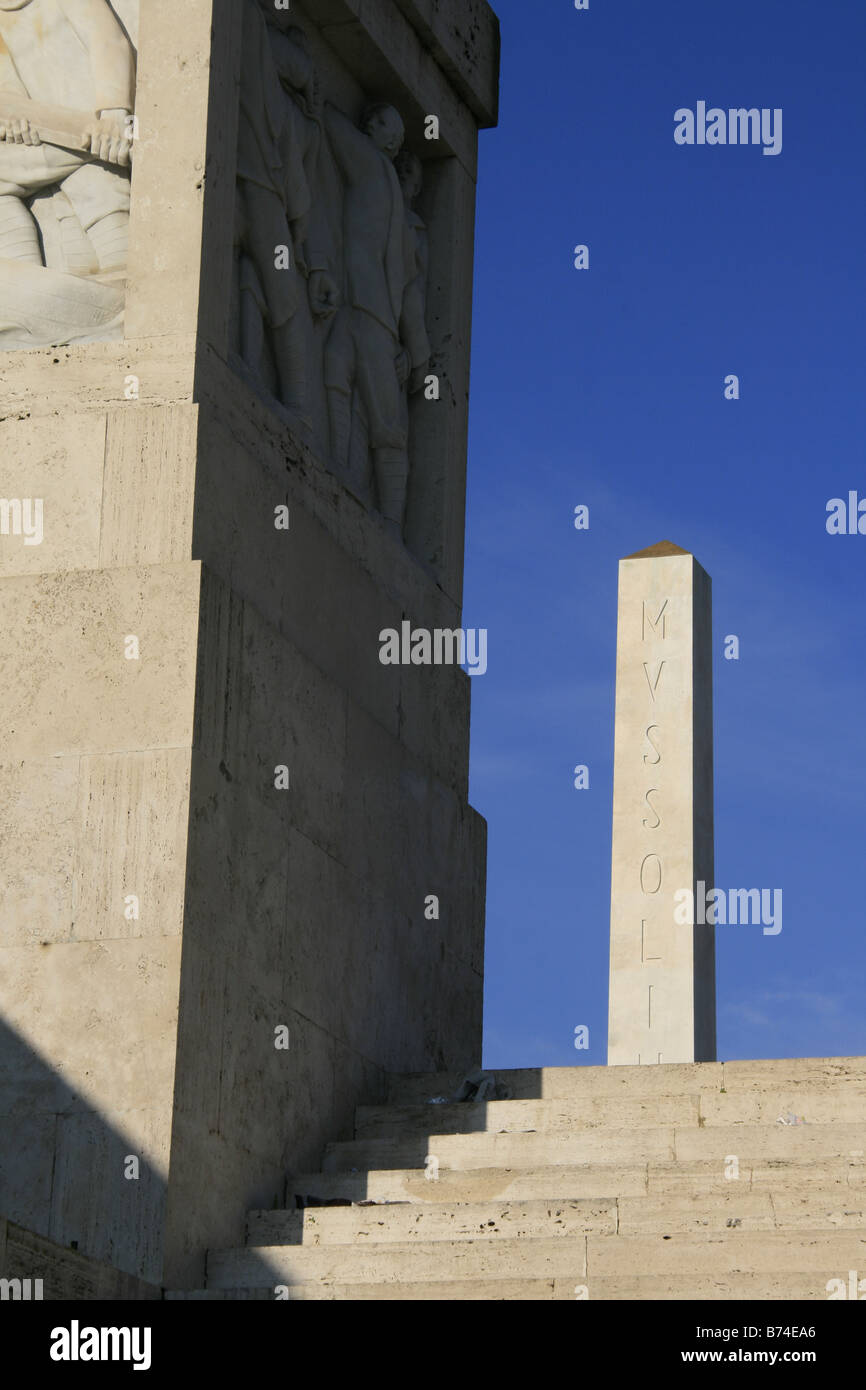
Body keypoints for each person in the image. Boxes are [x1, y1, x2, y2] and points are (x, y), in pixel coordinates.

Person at [0, 0, 134, 274]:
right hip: (52, 135)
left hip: (101, 129)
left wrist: (115, 111)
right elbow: (6, 83)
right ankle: (22, 273)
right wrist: (14, 118)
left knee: (100, 194)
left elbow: (107, 39)